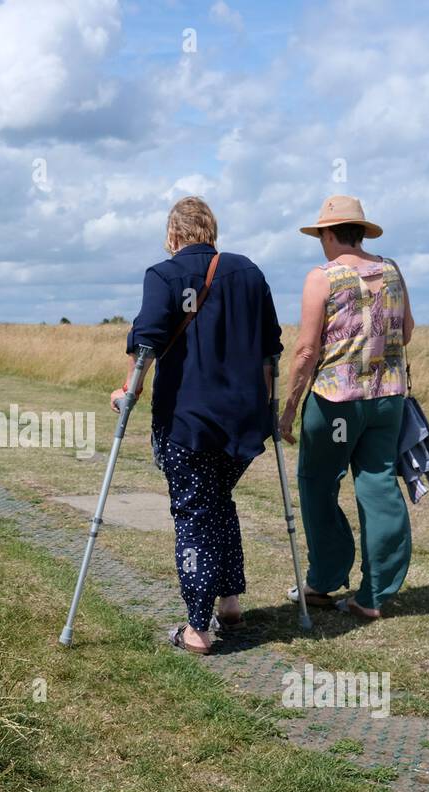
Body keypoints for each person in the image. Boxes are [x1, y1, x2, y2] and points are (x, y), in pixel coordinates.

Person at [112, 197, 282, 654]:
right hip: (244, 422)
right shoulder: (249, 272)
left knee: (193, 515)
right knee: (217, 502)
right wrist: (268, 404)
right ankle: (229, 602)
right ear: (211, 231)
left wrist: (129, 390)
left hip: (189, 421)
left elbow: (146, 341)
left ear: (173, 235)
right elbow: (271, 349)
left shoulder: (163, 274)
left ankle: (196, 627)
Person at [277, 195, 414, 620]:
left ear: (330, 234)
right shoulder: (391, 270)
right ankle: (373, 594)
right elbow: (406, 332)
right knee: (379, 486)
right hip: (388, 396)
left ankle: (324, 578)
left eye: (322, 234)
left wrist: (288, 408)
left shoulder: (322, 277)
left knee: (318, 484)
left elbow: (305, 350)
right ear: (362, 232)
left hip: (336, 402)